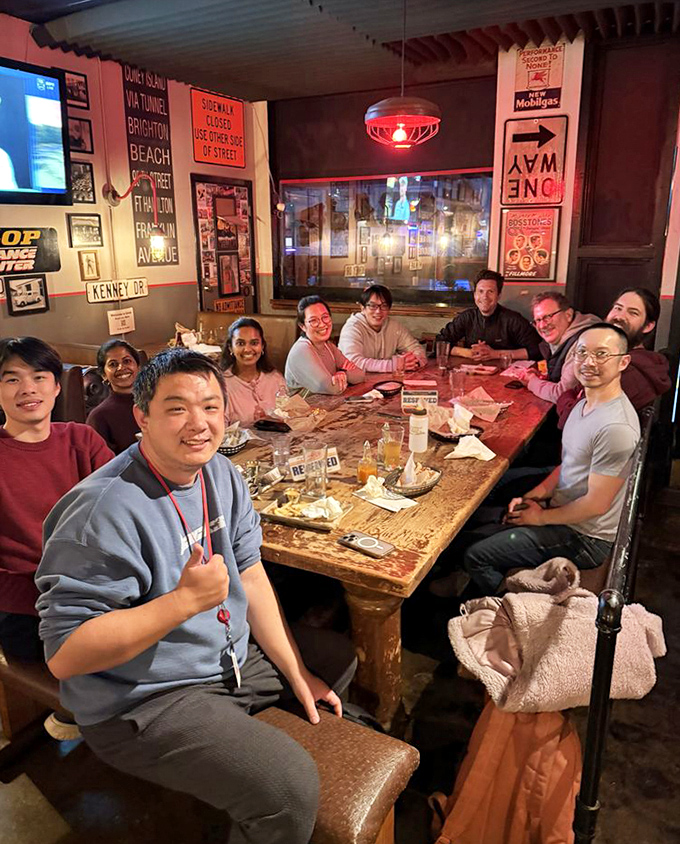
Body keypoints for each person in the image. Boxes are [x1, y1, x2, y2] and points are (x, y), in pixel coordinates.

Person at [35, 348, 356, 844]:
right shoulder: (101, 511)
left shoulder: (221, 474)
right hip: (140, 700)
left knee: (334, 660)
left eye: (211, 406)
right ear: (141, 416)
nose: (199, 424)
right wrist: (181, 603)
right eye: (177, 408)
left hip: (223, 660)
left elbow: (250, 577)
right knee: (290, 787)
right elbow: (65, 655)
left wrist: (298, 674)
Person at [460, 324, 640, 596]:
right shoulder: (585, 402)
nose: (589, 362)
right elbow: (568, 465)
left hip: (585, 538)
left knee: (476, 554)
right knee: (475, 526)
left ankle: (505, 607)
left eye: (601, 354)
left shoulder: (617, 427)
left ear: (623, 362)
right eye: (582, 353)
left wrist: (541, 517)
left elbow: (596, 504)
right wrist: (535, 495)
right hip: (564, 511)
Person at [0, 337, 112, 662]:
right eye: (12, 379)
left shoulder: (82, 439)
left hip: (97, 591)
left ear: (56, 386)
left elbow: (123, 505)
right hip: (27, 608)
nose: (27, 388)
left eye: (39, 376)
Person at [557, 288, 671, 425]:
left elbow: (571, 420)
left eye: (633, 313)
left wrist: (570, 400)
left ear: (648, 326)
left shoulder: (630, 374)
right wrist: (573, 399)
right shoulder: (614, 359)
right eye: (618, 308)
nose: (620, 316)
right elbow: (574, 391)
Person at [435, 270, 542, 361]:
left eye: (490, 291)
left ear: (498, 295)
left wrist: (494, 354)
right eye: (480, 291)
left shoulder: (512, 320)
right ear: (474, 295)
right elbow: (439, 344)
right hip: (472, 375)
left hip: (506, 377)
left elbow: (538, 350)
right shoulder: (466, 317)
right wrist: (469, 352)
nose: (484, 297)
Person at [513, 293, 599, 402]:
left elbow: (563, 394)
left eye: (548, 317)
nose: (542, 325)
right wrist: (542, 379)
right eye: (538, 320)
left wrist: (532, 381)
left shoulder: (584, 343)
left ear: (568, 315)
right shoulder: (561, 337)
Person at [285, 295, 365, 394]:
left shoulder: (328, 346)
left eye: (325, 317)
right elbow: (332, 388)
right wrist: (343, 376)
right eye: (313, 320)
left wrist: (343, 374)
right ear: (302, 326)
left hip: (323, 407)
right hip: (300, 408)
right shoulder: (301, 350)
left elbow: (360, 375)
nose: (322, 324)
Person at [338, 284, 426, 373]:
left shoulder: (394, 327)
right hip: (354, 384)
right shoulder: (352, 328)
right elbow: (353, 362)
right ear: (362, 308)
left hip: (386, 382)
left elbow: (417, 349)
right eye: (372, 306)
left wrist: (414, 362)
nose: (378, 311)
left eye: (384, 306)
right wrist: (394, 365)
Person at [220, 317, 287, 426]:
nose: (247, 349)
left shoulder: (275, 379)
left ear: (262, 346)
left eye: (254, 343)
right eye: (240, 344)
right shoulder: (223, 386)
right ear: (230, 348)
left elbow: (288, 416)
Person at [86, 340, 141, 454]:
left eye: (127, 361)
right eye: (113, 364)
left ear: (138, 367)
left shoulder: (157, 400)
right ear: (103, 374)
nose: (121, 368)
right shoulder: (99, 417)